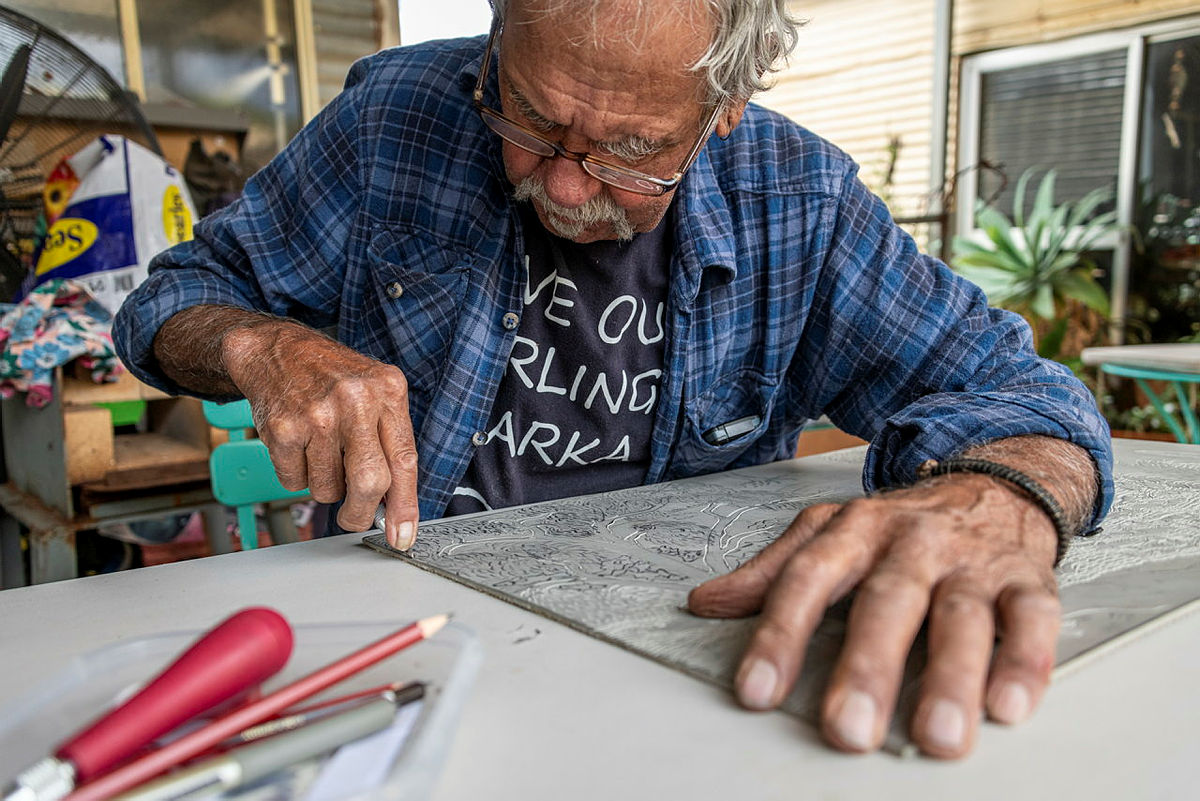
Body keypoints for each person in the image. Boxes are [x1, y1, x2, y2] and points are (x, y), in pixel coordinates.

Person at [113, 0, 1113, 760]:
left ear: (725, 110)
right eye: (532, 123)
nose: (562, 182)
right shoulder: (395, 122)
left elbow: (1023, 394)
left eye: (631, 151)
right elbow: (169, 302)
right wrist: (260, 345)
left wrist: (1004, 496)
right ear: (497, 42)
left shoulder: (800, 202)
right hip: (400, 653)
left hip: (683, 678)